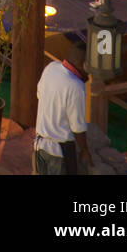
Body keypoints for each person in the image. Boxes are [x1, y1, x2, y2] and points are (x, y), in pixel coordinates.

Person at [32, 43, 94, 175]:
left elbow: (39, 94)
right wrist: (85, 150)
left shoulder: (51, 67)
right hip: (60, 151)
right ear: (83, 63)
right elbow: (77, 127)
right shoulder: (76, 86)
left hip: (39, 145)